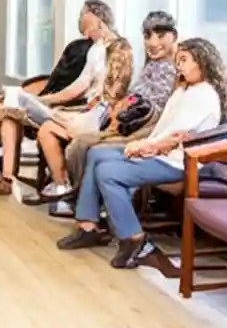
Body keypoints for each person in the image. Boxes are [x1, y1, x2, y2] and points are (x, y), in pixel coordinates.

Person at [56, 37, 227, 271]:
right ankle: (88, 226)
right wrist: (144, 144)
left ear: (202, 63)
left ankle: (134, 238)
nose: (179, 66)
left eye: (184, 60)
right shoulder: (184, 90)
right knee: (96, 154)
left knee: (108, 172)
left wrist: (144, 148)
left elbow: (177, 137)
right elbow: (164, 129)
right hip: (160, 152)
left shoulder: (204, 95)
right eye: (178, 60)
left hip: (178, 162)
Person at [0, 0, 117, 195]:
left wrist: (42, 101)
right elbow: (78, 83)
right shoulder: (95, 48)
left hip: (82, 111)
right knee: (10, 115)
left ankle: (59, 185)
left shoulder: (115, 49)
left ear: (94, 17)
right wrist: (41, 99)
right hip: (70, 105)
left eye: (83, 15)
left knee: (15, 108)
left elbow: (81, 91)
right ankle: (7, 178)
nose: (80, 19)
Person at [61, 11, 180, 194]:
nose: (153, 42)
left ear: (174, 36)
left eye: (161, 35)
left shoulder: (177, 69)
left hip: (145, 129)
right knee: (78, 141)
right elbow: (133, 97)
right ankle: (76, 193)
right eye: (148, 36)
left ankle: (79, 195)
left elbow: (155, 109)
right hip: (125, 120)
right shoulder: (152, 65)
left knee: (83, 145)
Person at [32, 35, 135, 200]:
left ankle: (63, 186)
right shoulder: (114, 81)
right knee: (47, 128)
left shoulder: (118, 88)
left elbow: (109, 108)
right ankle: (62, 184)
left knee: (48, 127)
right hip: (94, 116)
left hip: (99, 123)